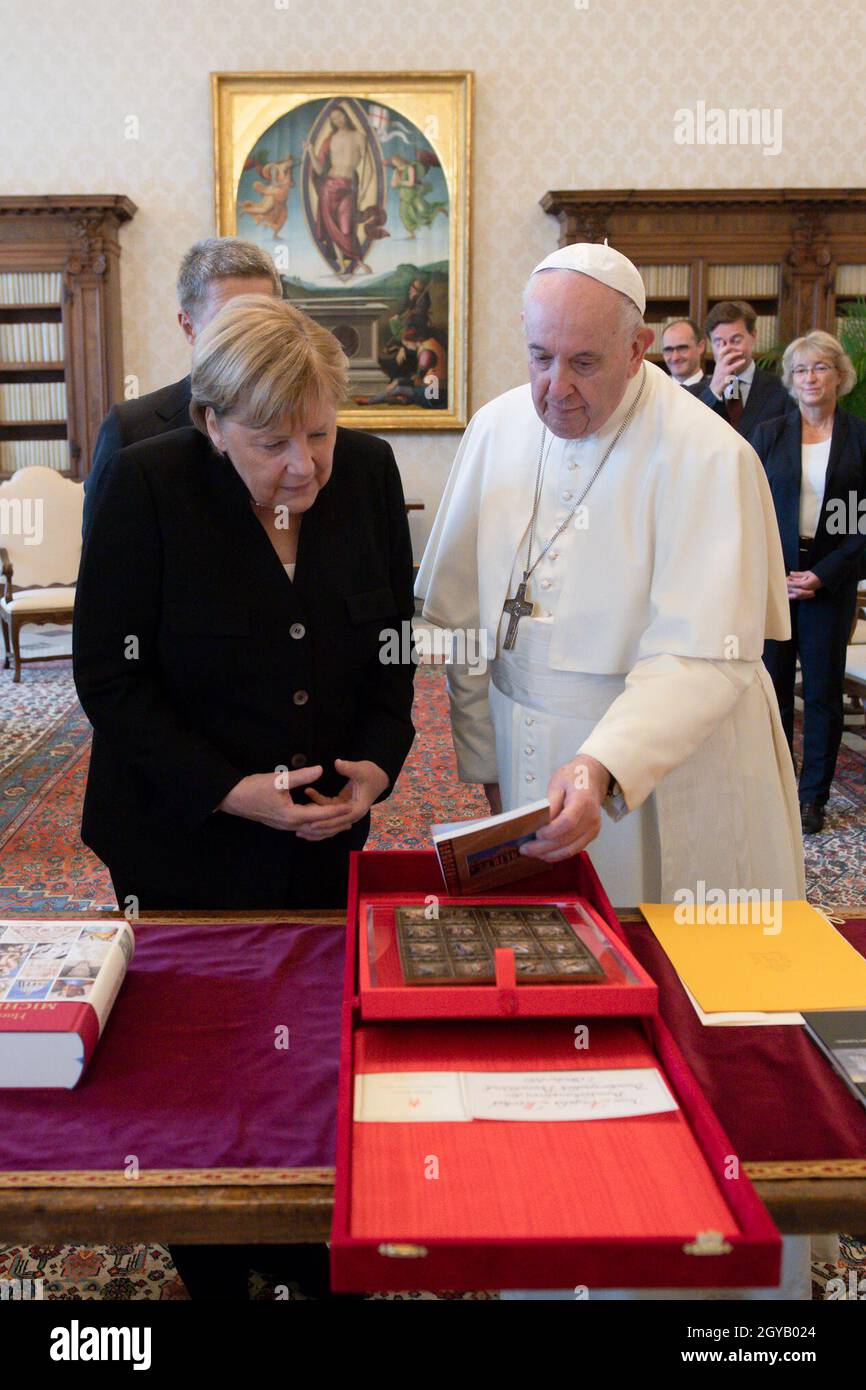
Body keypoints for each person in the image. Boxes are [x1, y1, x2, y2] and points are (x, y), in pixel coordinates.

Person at [416, 243, 805, 913]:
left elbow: (704, 655)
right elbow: (463, 622)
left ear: (636, 349)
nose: (555, 387)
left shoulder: (709, 455)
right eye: (540, 357)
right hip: (521, 740)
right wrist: (486, 763)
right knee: (543, 939)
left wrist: (605, 765)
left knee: (656, 947)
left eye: (584, 363)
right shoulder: (495, 430)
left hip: (666, 766)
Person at [74, 294, 416, 912]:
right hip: (179, 841)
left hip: (326, 840)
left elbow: (393, 646)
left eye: (320, 433)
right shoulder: (146, 485)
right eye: (271, 443)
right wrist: (226, 789)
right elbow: (110, 677)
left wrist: (378, 762)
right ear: (213, 426)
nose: (303, 465)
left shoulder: (370, 473)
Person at [83, 237, 282, 534]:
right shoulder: (130, 429)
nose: (248, 336)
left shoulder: (310, 426)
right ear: (189, 327)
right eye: (228, 323)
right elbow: (105, 552)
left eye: (262, 320)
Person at [753, 331, 866, 834]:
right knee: (772, 691)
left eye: (820, 367)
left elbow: (862, 523)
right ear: (790, 380)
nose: (810, 378)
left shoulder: (859, 439)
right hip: (775, 578)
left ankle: (812, 798)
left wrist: (823, 574)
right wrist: (772, 571)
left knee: (821, 695)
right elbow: (749, 508)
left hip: (830, 580)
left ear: (839, 375)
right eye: (800, 370)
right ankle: (776, 789)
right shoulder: (770, 434)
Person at [692, 299, 791, 434]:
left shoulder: (782, 389)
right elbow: (691, 433)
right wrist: (714, 390)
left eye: (736, 340)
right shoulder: (694, 394)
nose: (728, 349)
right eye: (719, 343)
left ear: (753, 336)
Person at [660, 317, 707, 388]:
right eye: (668, 350)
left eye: (682, 348)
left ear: (701, 347)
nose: (675, 357)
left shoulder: (716, 392)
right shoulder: (654, 392)